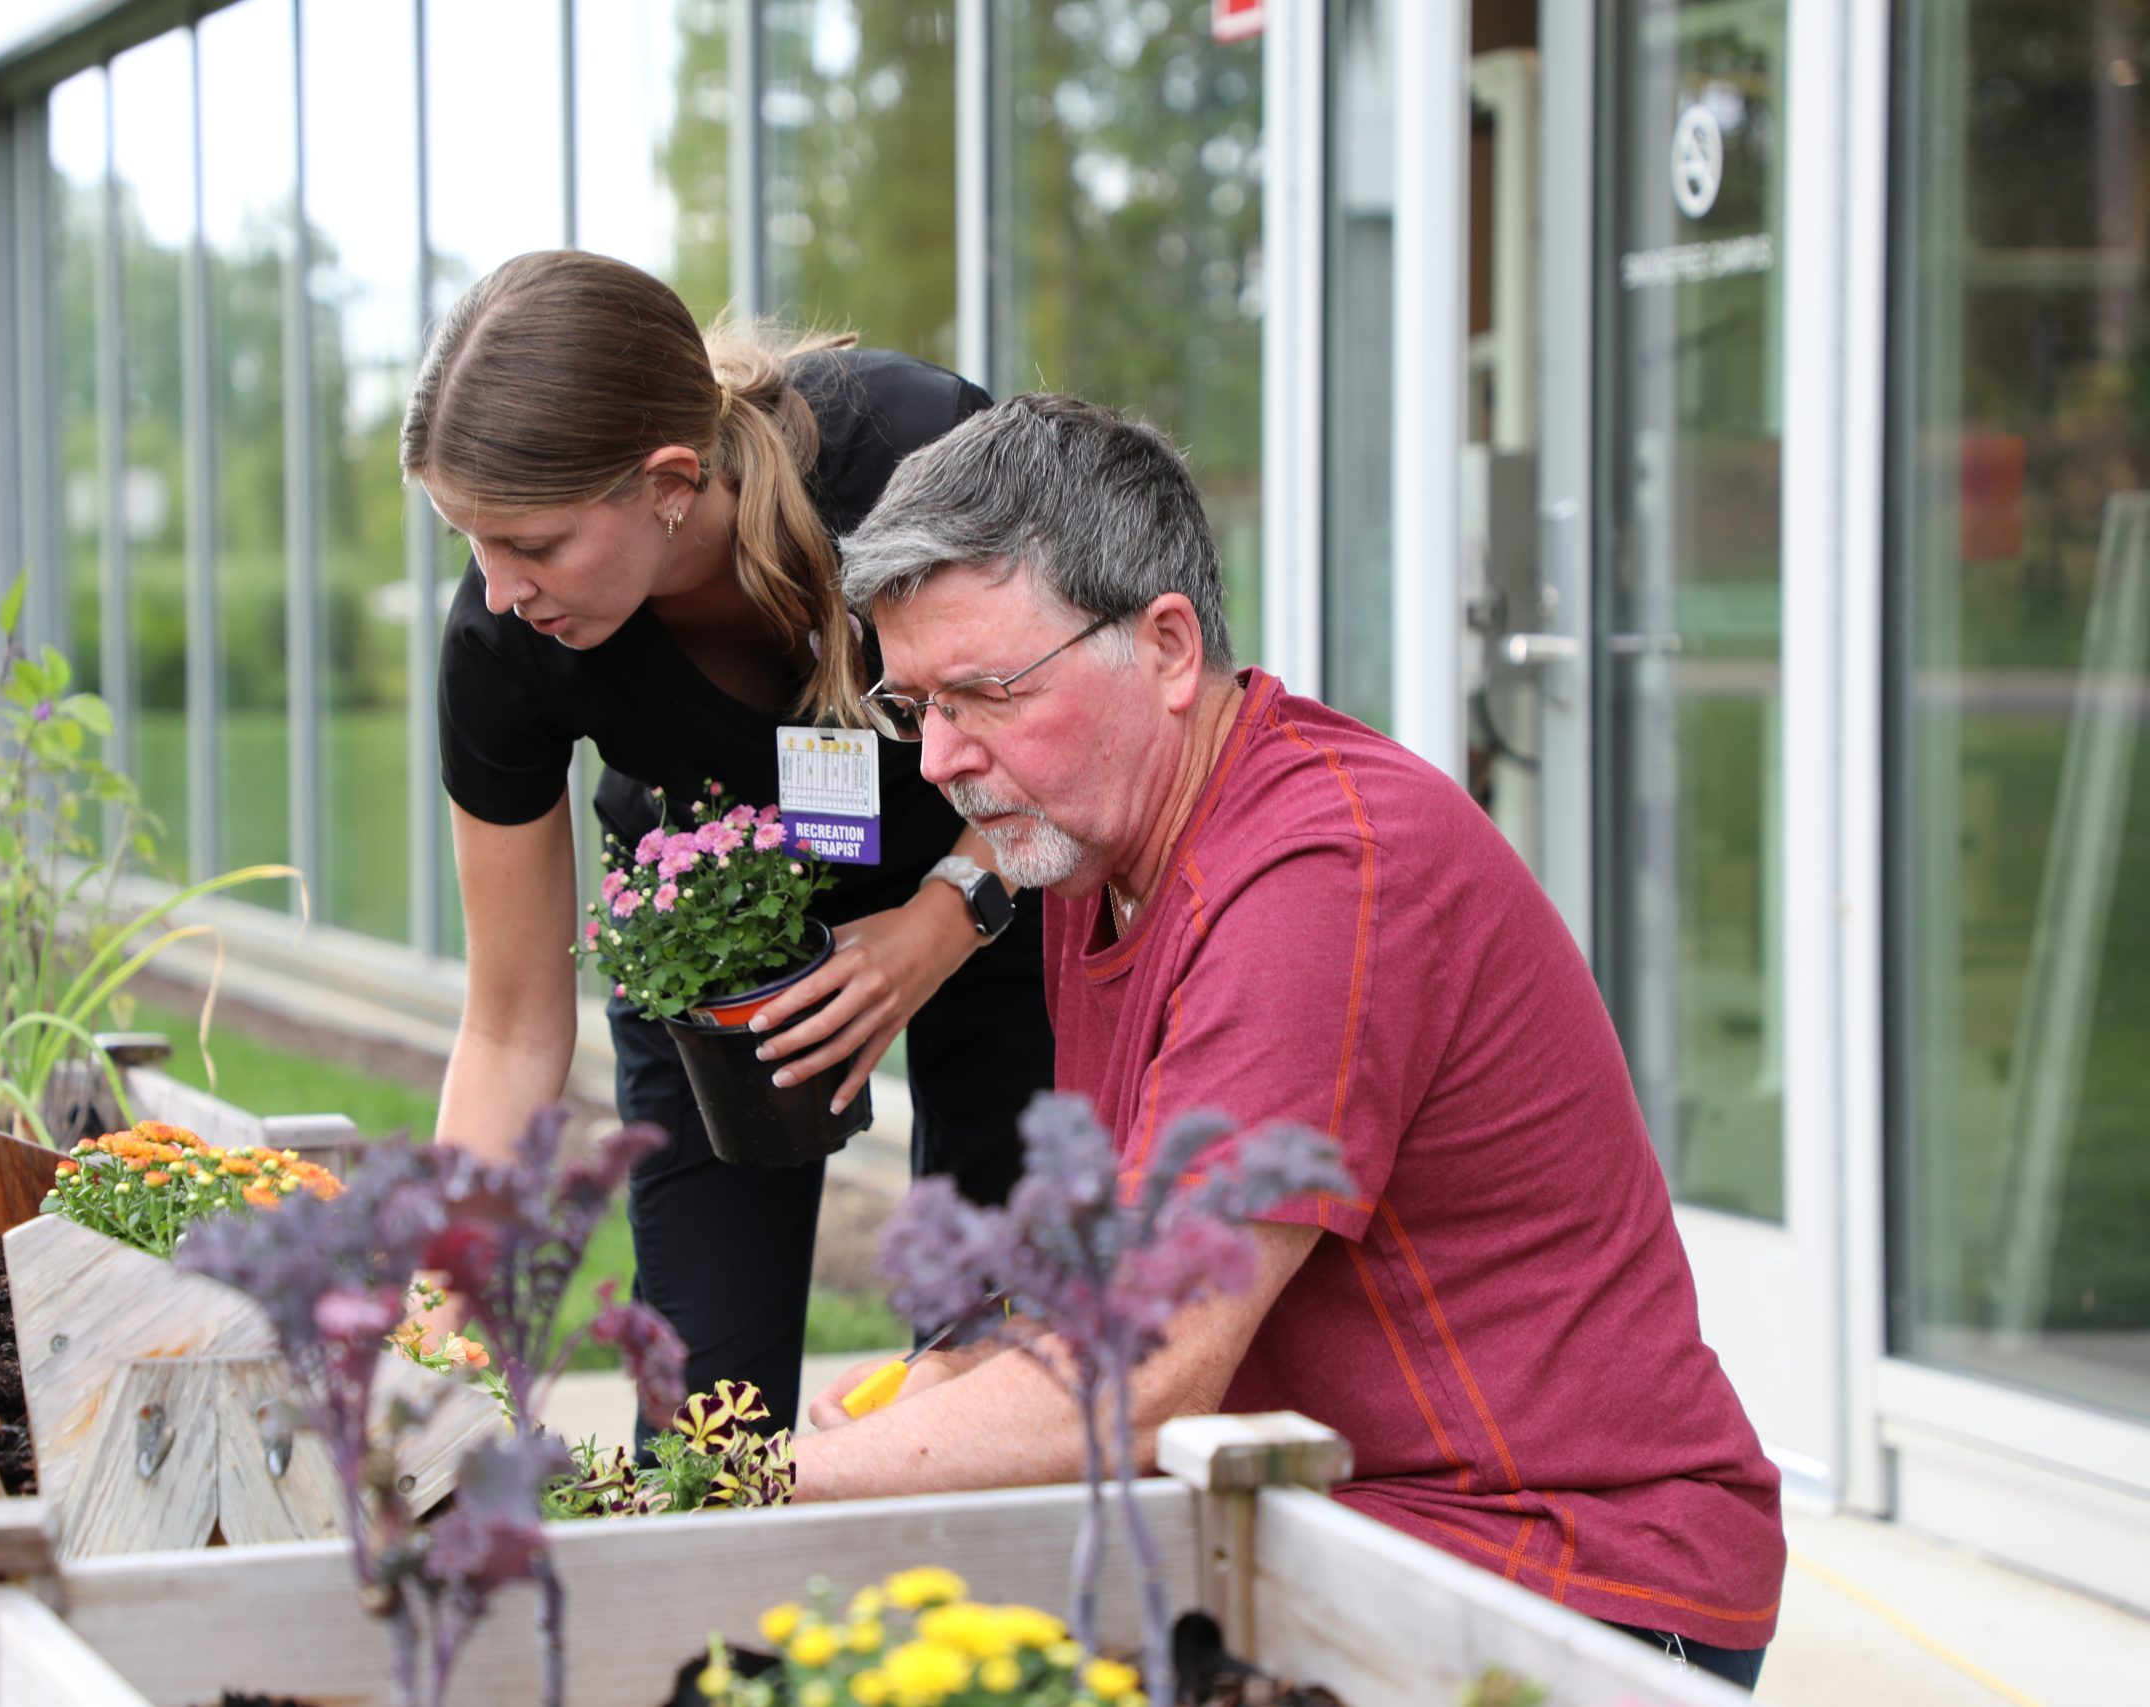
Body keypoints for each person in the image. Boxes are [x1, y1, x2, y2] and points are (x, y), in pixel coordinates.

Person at [792, 394, 1785, 1688]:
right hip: (1340, 1525)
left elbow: (1143, 1372)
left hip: (1566, 1572)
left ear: (1165, 647)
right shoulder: (1092, 849)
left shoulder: (1316, 876)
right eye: (914, 702)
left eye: (984, 693)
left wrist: (751, 1483)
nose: (936, 758)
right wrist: (962, 1377)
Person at [396, 251, 1055, 1437]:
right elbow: (508, 1024)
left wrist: (942, 918)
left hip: (997, 873)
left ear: (667, 483)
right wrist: (440, 1313)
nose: (497, 590)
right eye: (472, 543)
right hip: (719, 945)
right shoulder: (504, 645)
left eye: (533, 544)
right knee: (708, 1416)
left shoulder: (917, 458)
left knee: (995, 1369)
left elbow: (1090, 737)